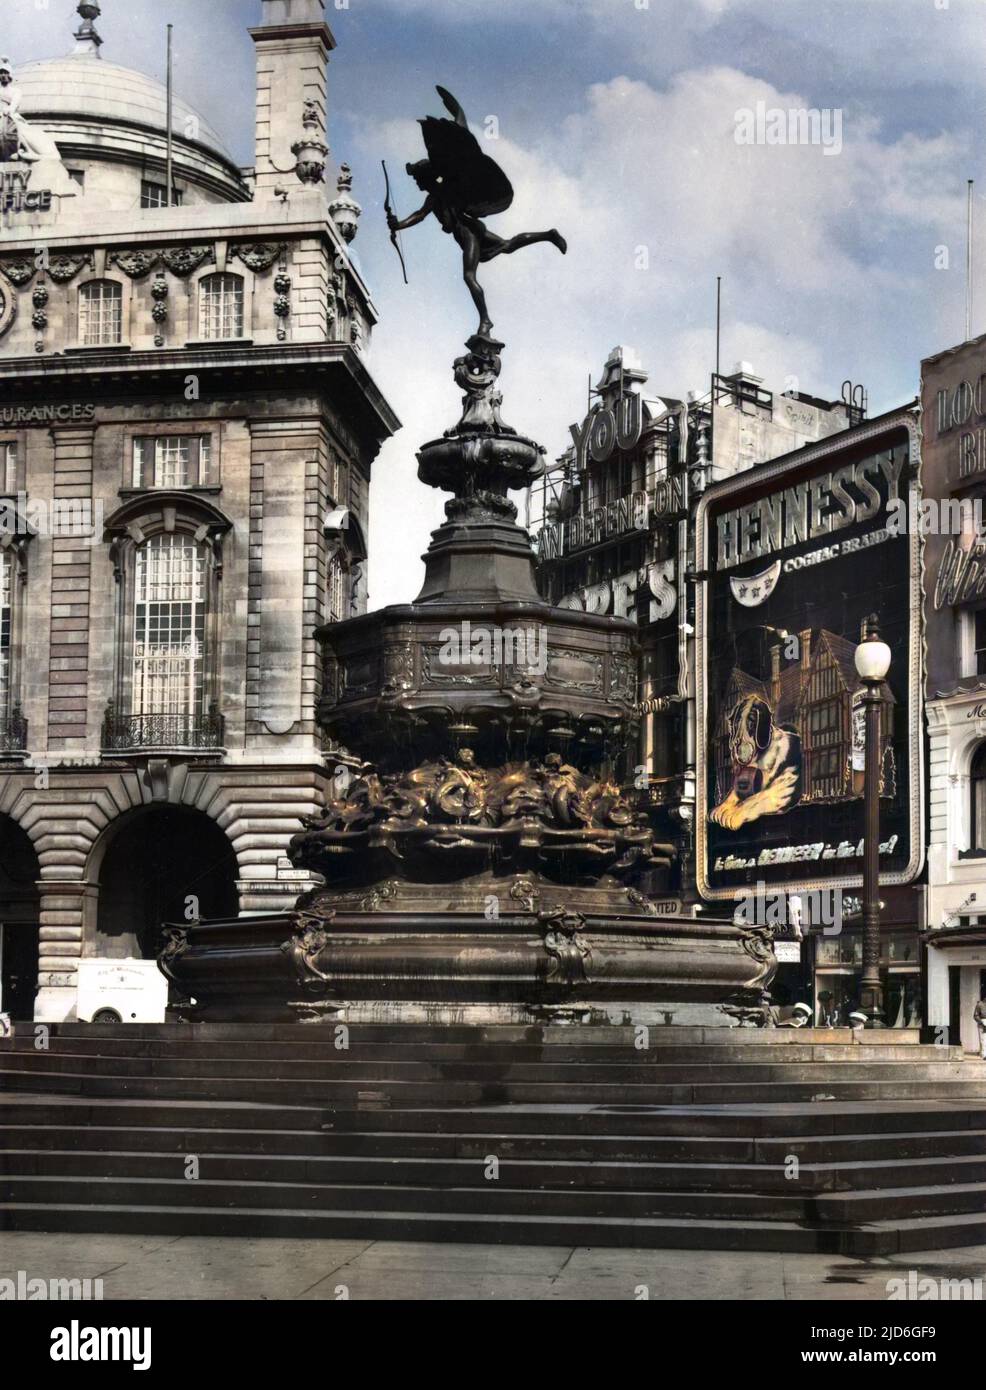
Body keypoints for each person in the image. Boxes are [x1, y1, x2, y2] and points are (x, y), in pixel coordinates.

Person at [388, 87, 567, 336]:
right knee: (507, 245)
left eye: (418, 180)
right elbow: (460, 125)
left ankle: (485, 321)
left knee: (469, 277)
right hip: (473, 228)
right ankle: (548, 235)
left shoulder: (440, 194)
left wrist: (398, 225)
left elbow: (419, 215)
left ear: (426, 178)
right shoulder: (441, 191)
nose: (417, 185)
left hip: (469, 233)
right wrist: (398, 225)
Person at [975, 993, 986, 1060]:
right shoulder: (980, 1005)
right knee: (983, 1039)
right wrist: (982, 1023)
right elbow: (976, 1016)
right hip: (982, 1023)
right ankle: (984, 1054)